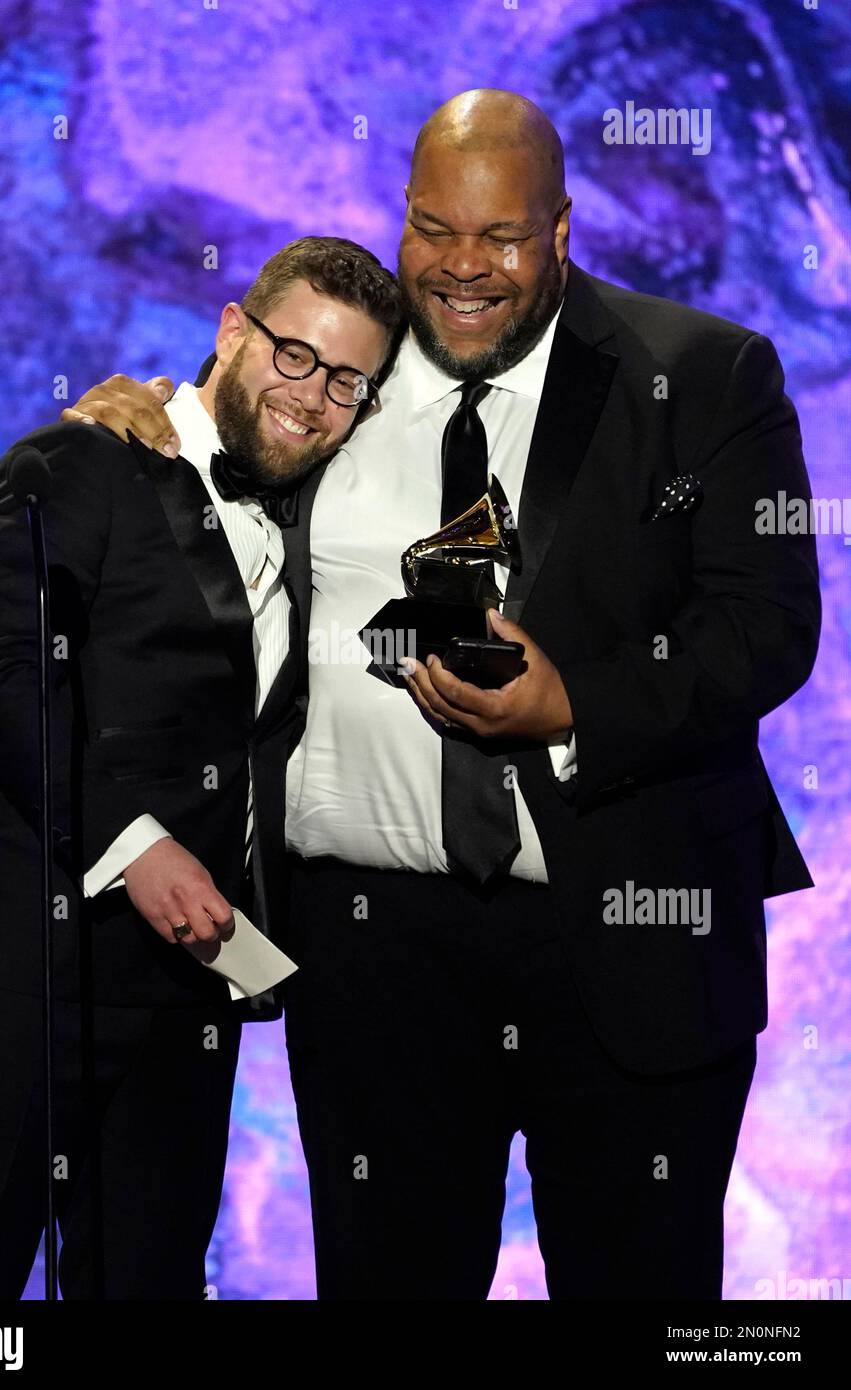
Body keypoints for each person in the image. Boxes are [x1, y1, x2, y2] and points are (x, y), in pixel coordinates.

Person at [64, 90, 821, 1301]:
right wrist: (137, 419)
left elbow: (765, 626)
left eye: (503, 237)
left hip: (629, 928)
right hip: (372, 957)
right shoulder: (334, 380)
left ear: (562, 232)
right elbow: (211, 459)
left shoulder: (704, 374)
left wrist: (577, 703)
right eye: (434, 228)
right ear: (401, 219)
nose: (465, 267)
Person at [0, 236, 401, 1299]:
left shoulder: (315, 514)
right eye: (296, 355)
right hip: (22, 960)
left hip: (189, 986)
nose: (314, 398)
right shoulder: (76, 459)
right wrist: (137, 848)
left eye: (349, 381)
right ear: (230, 331)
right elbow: (1, 677)